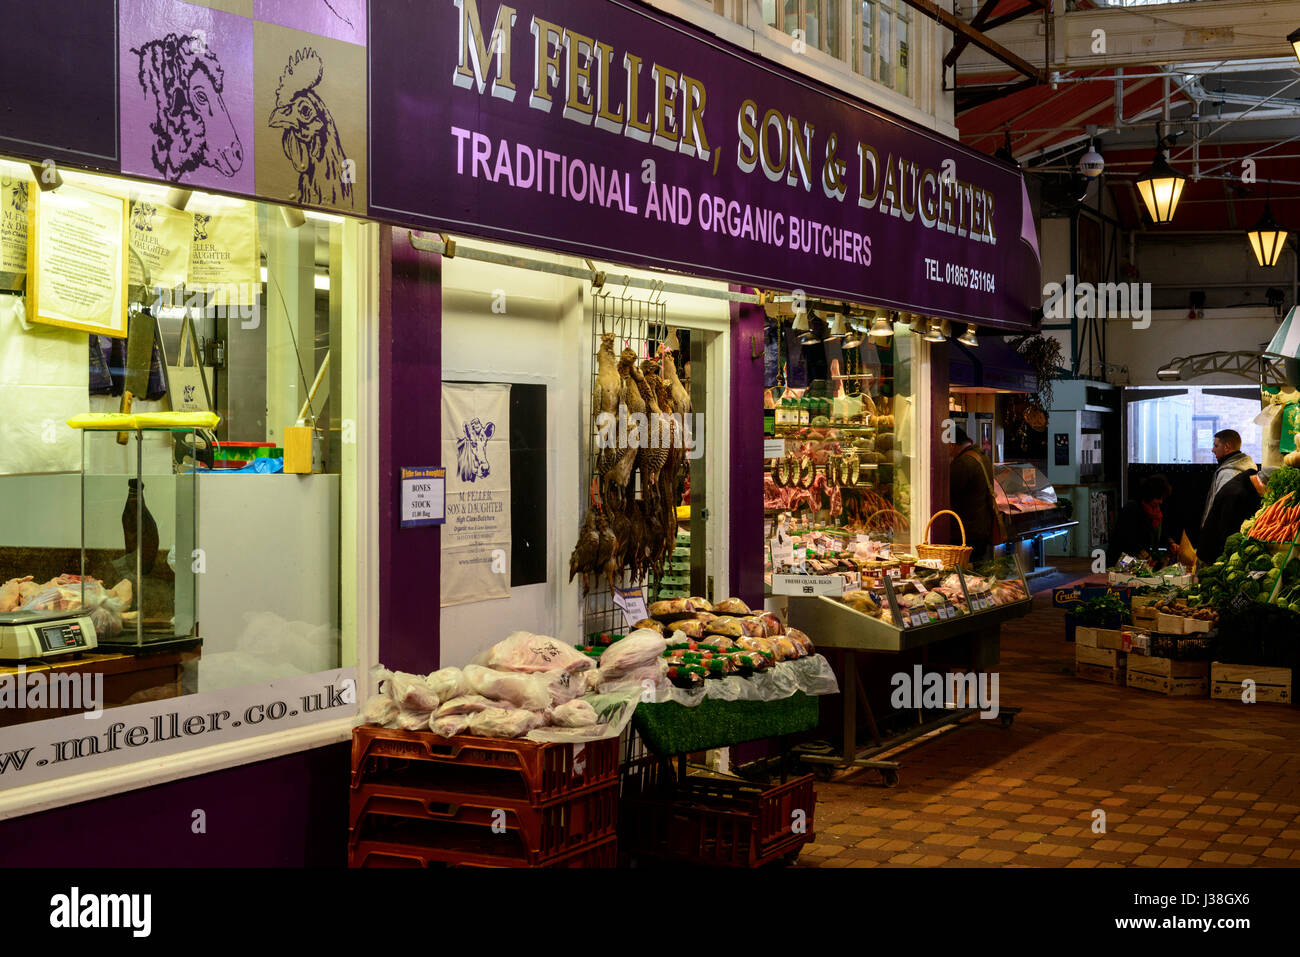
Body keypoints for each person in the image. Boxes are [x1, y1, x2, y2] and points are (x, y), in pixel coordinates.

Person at [1196, 429, 1261, 565]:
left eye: (1216, 445)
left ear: (1227, 447)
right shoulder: (1244, 469)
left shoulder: (1229, 473)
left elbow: (1221, 512)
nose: (1213, 450)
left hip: (1219, 547)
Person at [948, 426, 997, 562]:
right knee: (977, 571)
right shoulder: (981, 456)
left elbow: (947, 493)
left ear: (952, 445)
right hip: (981, 528)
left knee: (964, 573)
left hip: (966, 532)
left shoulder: (963, 463)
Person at [1109, 474, 1176, 567]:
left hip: (1140, 559)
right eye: (1158, 498)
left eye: (1162, 498)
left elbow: (1160, 532)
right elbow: (1128, 538)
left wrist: (1170, 542)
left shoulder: (1155, 511)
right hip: (1123, 561)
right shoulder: (1132, 508)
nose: (1161, 502)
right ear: (1150, 495)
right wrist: (1145, 555)